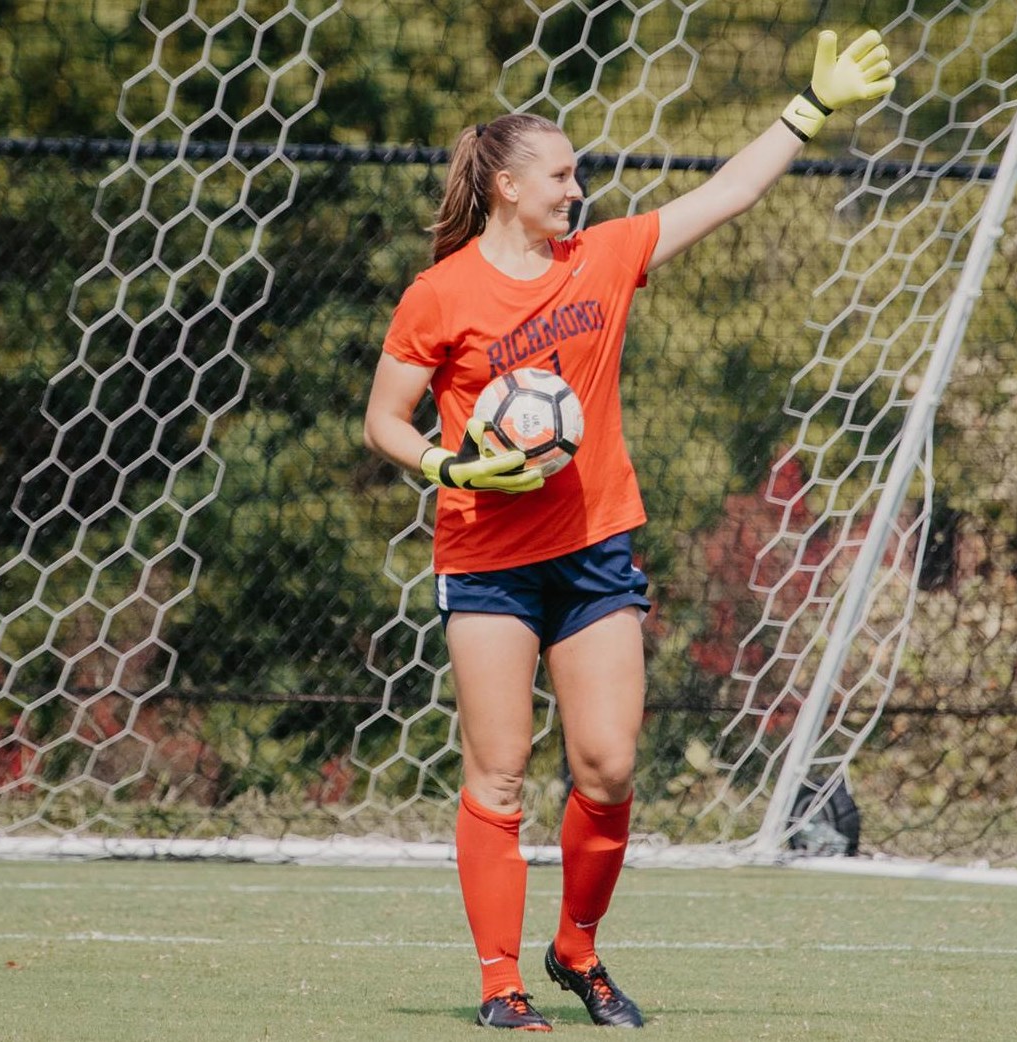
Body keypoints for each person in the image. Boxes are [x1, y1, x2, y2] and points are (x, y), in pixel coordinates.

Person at [362, 28, 895, 1032]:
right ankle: (499, 985)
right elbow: (384, 420)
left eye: (577, 173)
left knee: (606, 766)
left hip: (593, 550)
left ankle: (576, 949)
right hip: (486, 561)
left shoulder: (601, 258)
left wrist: (810, 109)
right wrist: (450, 466)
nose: (578, 188)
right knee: (500, 773)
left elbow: (728, 193)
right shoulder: (440, 294)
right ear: (506, 187)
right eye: (560, 175)